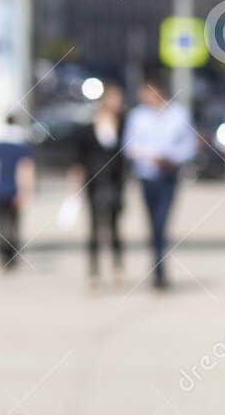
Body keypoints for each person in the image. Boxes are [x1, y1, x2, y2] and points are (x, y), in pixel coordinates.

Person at [123, 68, 198, 292]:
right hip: (147, 176)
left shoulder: (180, 115)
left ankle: (159, 268)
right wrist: (148, 156)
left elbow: (189, 146)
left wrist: (172, 159)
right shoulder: (137, 116)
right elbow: (129, 146)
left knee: (161, 223)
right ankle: (157, 267)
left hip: (169, 176)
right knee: (152, 224)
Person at [66, 83, 128, 290]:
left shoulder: (124, 125)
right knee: (94, 228)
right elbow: (78, 159)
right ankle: (93, 272)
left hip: (115, 182)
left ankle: (117, 268)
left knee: (114, 227)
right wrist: (75, 185)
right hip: (94, 182)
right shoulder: (88, 129)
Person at [0, 113, 35, 270]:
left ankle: (2, 253)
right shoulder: (22, 145)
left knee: (1, 223)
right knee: (14, 224)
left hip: (0, 188)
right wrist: (26, 191)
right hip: (16, 190)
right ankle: (12, 256)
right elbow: (26, 169)